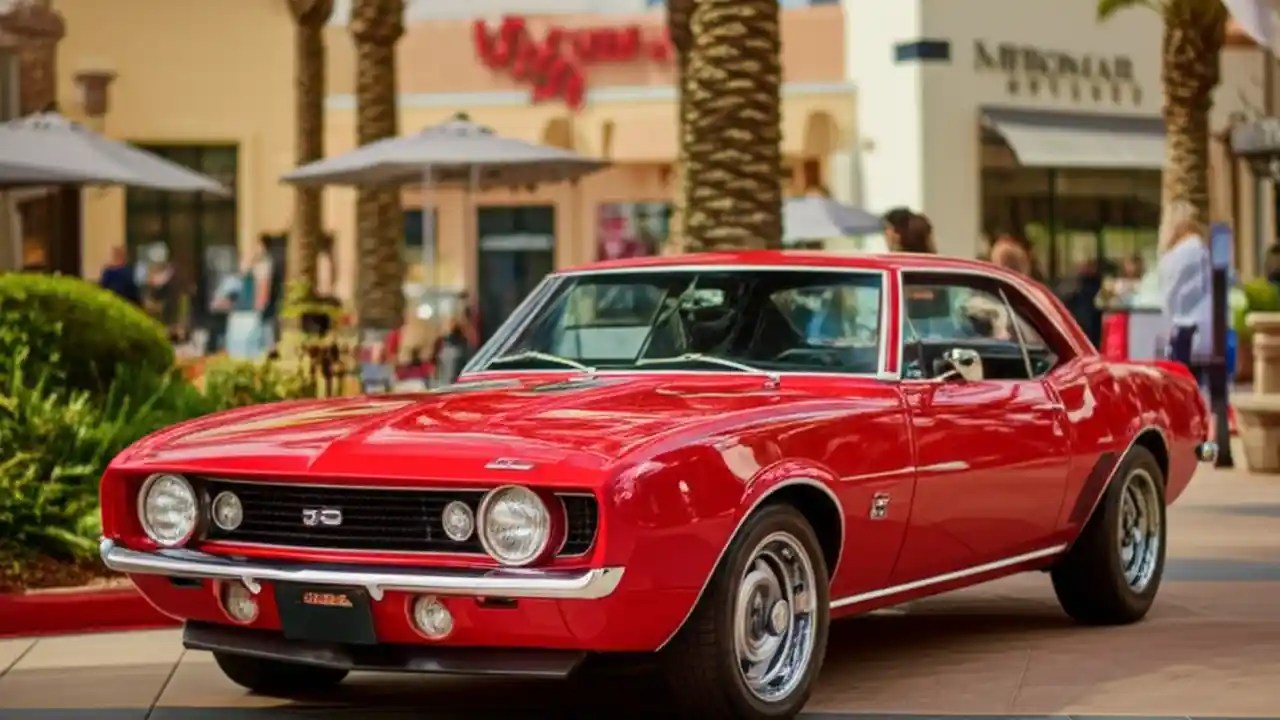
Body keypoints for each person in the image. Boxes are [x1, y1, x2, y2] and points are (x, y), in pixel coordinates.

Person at [1158, 201, 1212, 375]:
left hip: (1177, 326)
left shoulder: (1171, 254)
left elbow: (1168, 292)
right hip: (1195, 326)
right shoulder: (1197, 249)